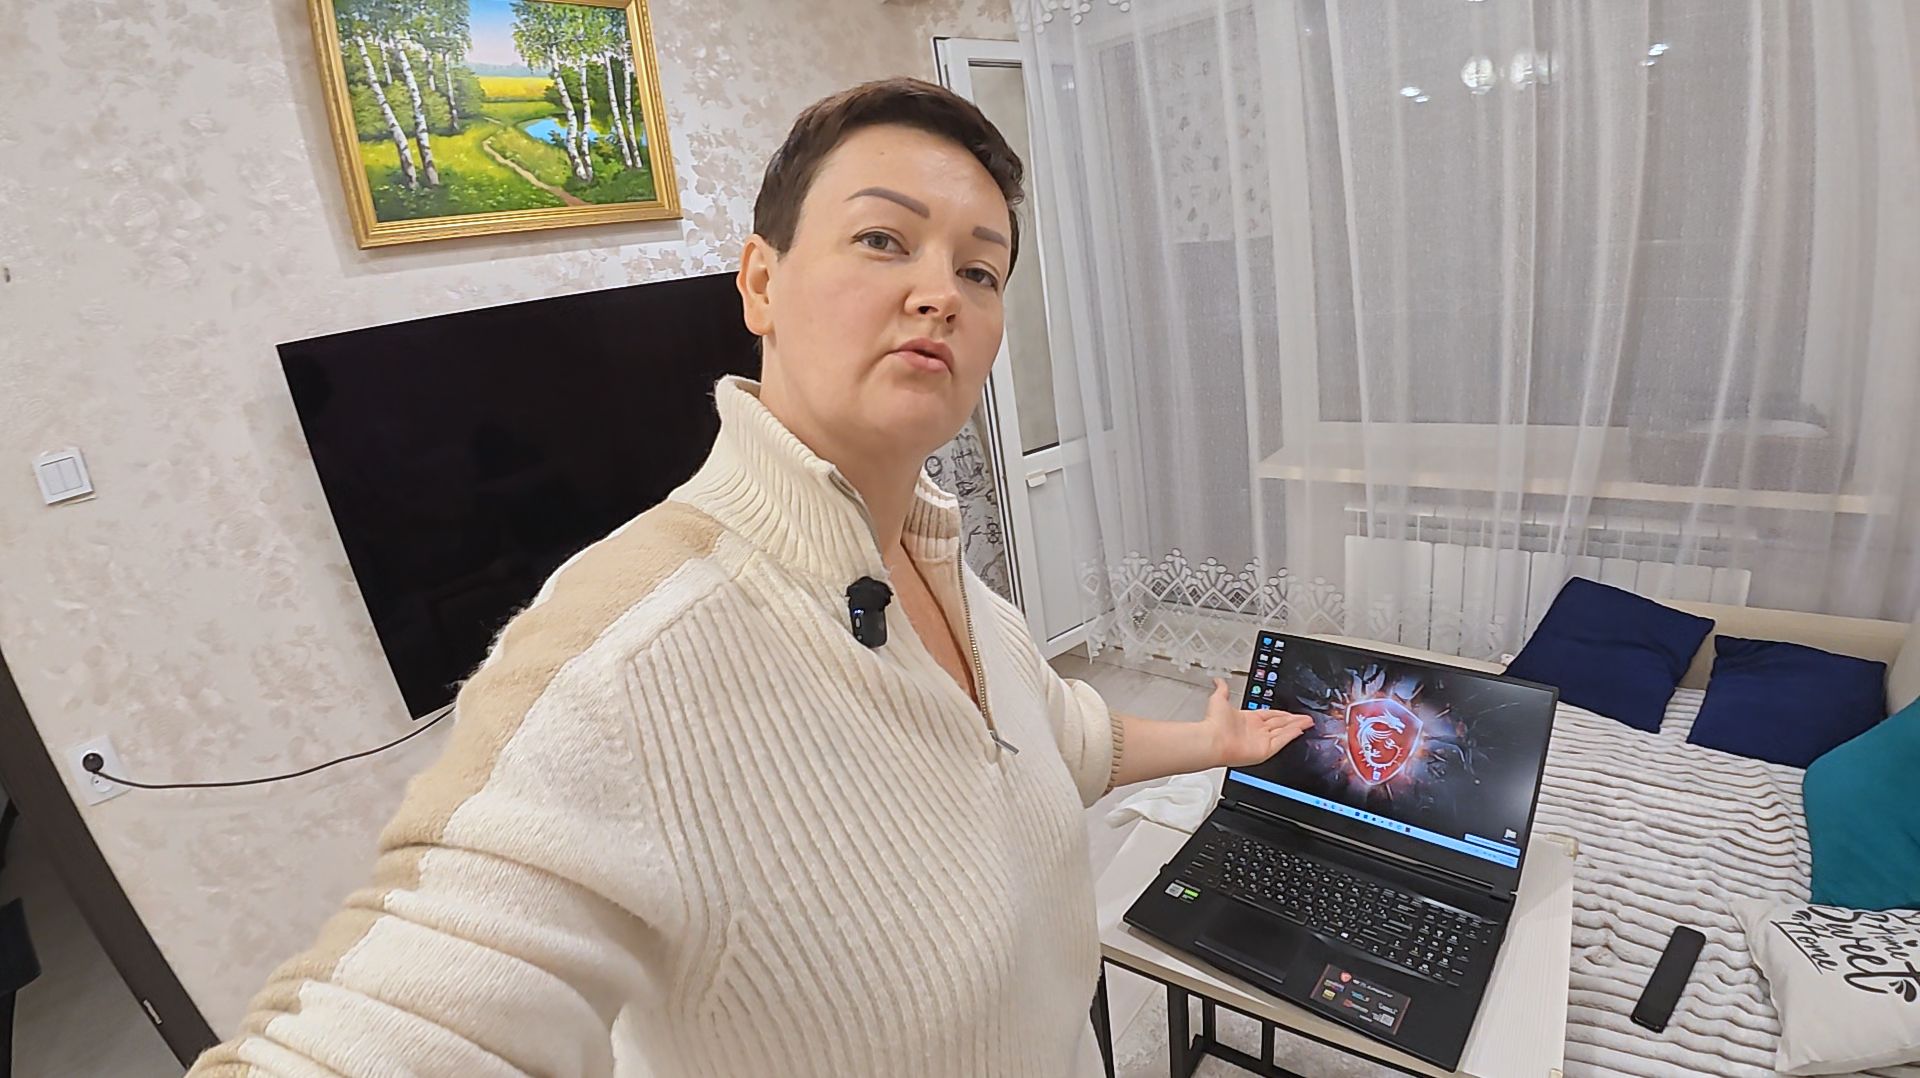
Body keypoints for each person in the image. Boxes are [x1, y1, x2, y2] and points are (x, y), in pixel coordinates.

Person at [188, 77, 1313, 1078]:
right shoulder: (622, 658)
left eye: (980, 268)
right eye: (885, 240)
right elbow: (404, 1010)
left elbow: (1054, 739)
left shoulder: (941, 568)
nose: (942, 292)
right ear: (760, 283)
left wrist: (1212, 741)